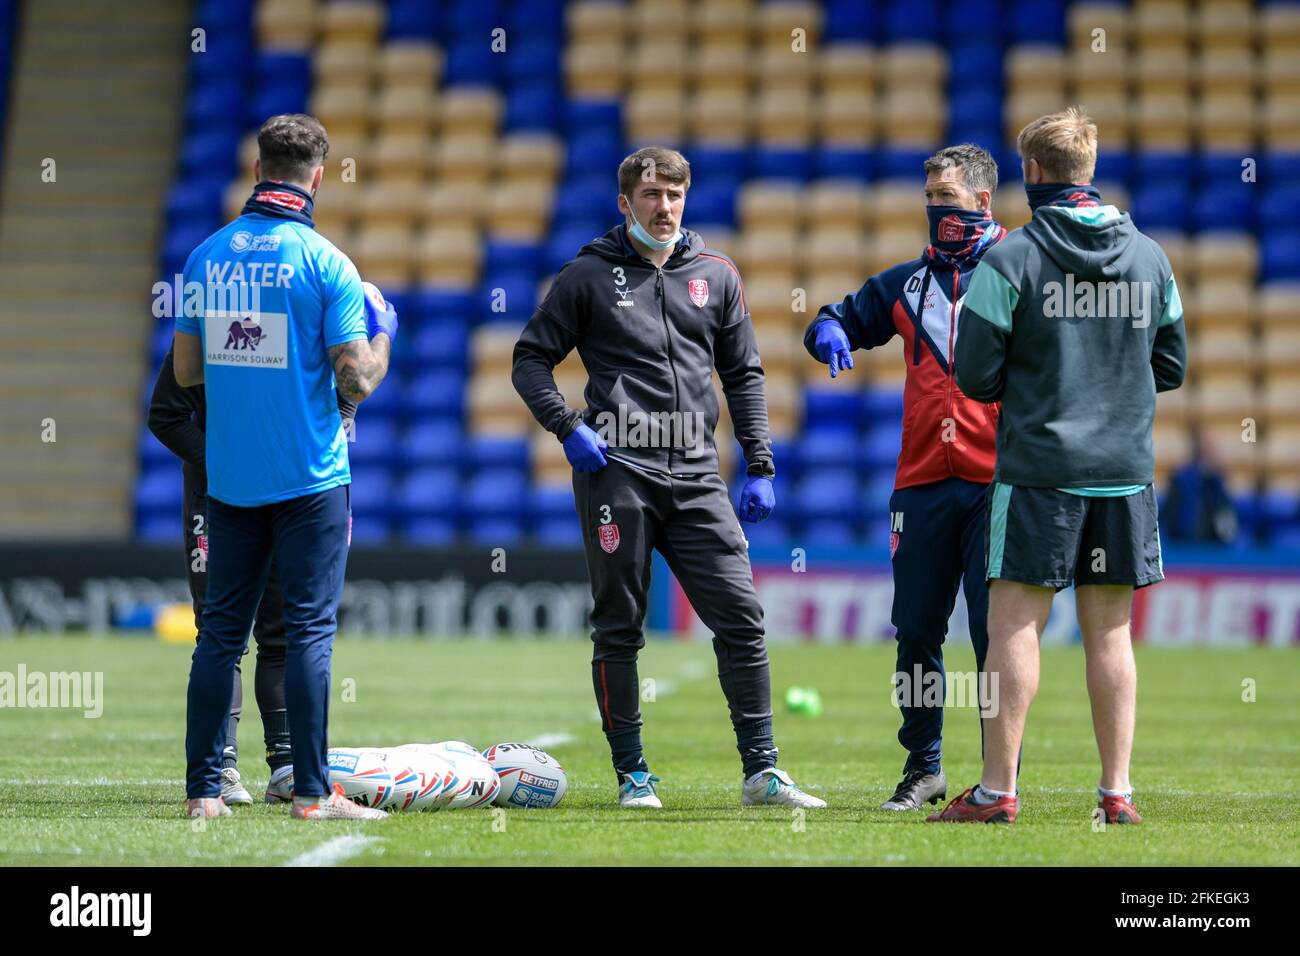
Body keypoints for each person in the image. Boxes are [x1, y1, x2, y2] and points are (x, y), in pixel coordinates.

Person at [512, 146, 825, 810]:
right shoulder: (587, 276)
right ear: (624, 203)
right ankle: (633, 775)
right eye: (651, 196)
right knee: (619, 624)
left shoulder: (718, 273)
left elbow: (742, 373)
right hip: (617, 470)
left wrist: (760, 464)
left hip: (696, 474)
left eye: (675, 195)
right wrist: (567, 427)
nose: (665, 207)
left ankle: (762, 772)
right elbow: (529, 359)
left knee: (742, 616)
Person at [934, 107, 1186, 824]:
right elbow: (1171, 365)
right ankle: (1116, 793)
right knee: (1110, 633)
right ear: (1090, 170)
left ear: (1033, 173)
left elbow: (976, 377)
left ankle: (997, 791)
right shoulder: (1150, 257)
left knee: (1014, 625)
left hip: (1040, 469)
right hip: (1125, 471)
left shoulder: (1008, 260)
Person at [173, 113, 397, 820]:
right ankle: (308, 793)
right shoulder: (327, 262)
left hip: (231, 480)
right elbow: (356, 381)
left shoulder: (206, 256)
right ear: (318, 176)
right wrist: (384, 333)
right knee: (306, 634)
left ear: (258, 165)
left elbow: (184, 372)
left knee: (219, 636)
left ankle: (204, 793)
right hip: (310, 480)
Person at [804, 144, 1006, 812]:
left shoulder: (1020, 273)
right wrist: (827, 330)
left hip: (997, 485)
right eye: (928, 200)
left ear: (983, 201)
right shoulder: (905, 285)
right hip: (920, 485)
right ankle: (924, 767)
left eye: (945, 199)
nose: (934, 211)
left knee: (992, 634)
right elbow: (835, 316)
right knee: (917, 630)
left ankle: (997, 776)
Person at [148, 341, 358, 805]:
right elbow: (165, 415)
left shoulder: (314, 327)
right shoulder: (216, 327)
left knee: (282, 632)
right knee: (223, 631)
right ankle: (220, 767)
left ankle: (285, 766)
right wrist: (222, 464)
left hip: (294, 497)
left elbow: (349, 395)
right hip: (220, 501)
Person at [1161, 429, 1238, 544]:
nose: (1210, 451)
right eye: (1207, 447)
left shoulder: (1217, 481)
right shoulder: (1181, 478)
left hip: (1212, 546)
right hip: (1183, 544)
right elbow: (1170, 512)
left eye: (1211, 447)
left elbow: (1225, 514)